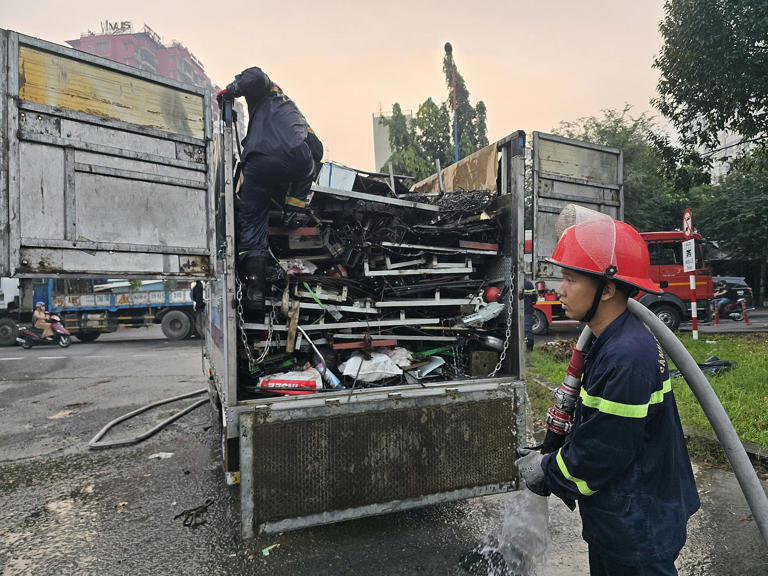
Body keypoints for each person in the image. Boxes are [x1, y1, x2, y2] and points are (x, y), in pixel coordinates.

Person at [515, 218, 700, 575]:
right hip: (627, 515)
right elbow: (604, 426)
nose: (560, 290)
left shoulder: (626, 356)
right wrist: (551, 451)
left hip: (638, 527)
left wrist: (547, 470)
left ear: (609, 288)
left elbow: (603, 452)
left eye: (571, 279)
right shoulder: (613, 341)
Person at [218, 67, 323, 312]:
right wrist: (297, 197)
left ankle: (254, 293)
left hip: (259, 160)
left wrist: (230, 91)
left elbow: (254, 76)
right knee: (308, 165)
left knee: (253, 221)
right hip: (296, 159)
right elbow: (317, 152)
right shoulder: (295, 114)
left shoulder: (267, 91)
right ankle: (293, 211)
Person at [523, 278, 537, 351]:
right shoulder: (528, 283)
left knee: (527, 330)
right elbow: (534, 297)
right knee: (527, 329)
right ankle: (528, 347)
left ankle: (529, 348)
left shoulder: (526, 283)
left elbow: (534, 296)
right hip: (527, 310)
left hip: (525, 310)